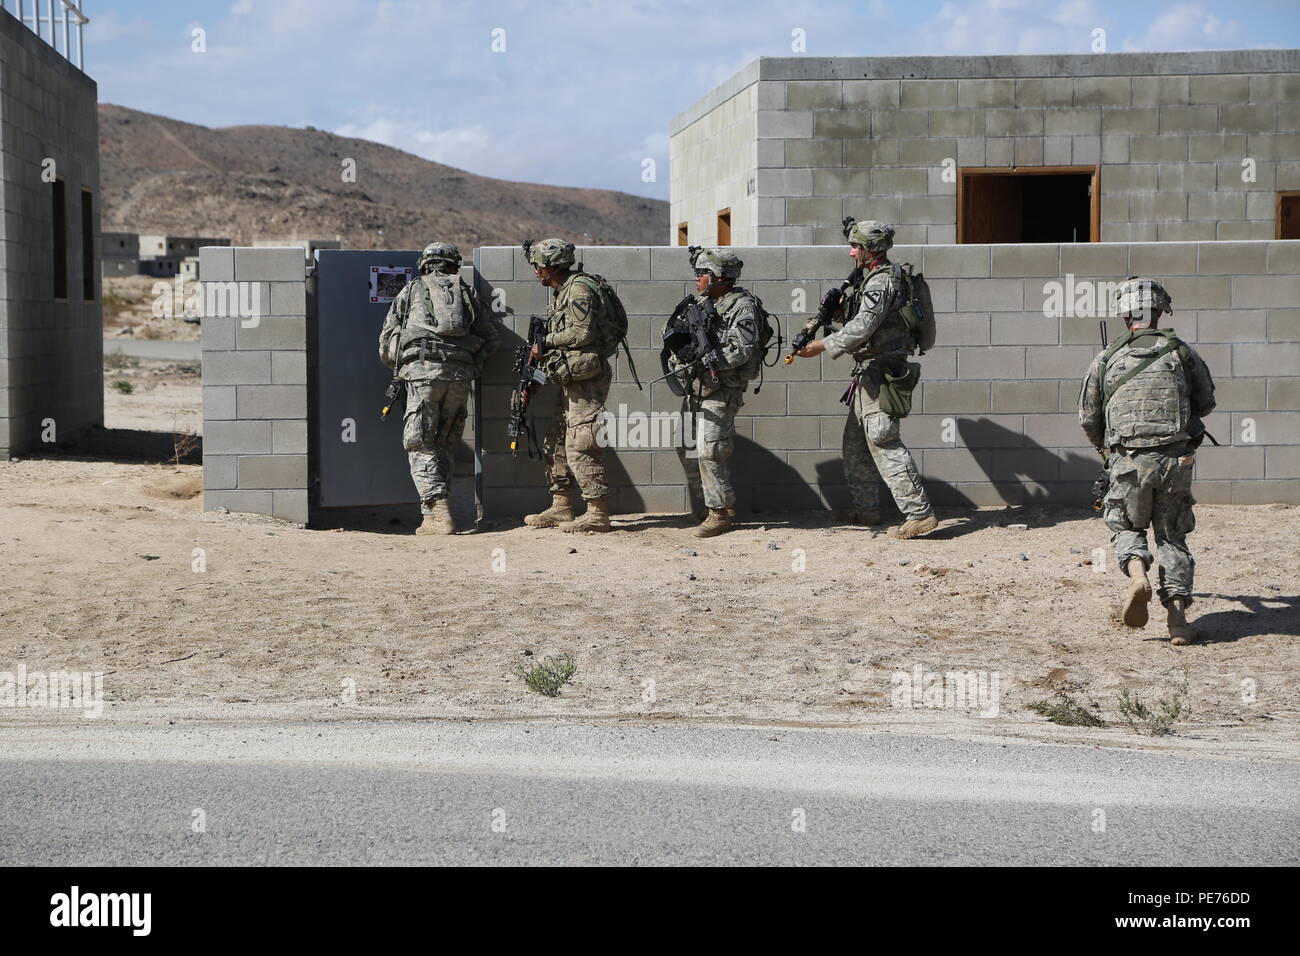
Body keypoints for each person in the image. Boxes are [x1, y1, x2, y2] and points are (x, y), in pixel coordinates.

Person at [1079, 276, 1216, 645]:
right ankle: (1177, 619)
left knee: (1126, 527)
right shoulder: (1181, 352)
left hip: (1128, 461)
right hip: (1176, 461)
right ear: (1159, 312)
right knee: (1172, 536)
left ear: (1125, 316)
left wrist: (1107, 453)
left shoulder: (1106, 358)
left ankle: (1139, 575)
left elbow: (1089, 417)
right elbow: (1206, 404)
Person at [795, 219, 937, 539]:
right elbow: (859, 319)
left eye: (855, 246)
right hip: (867, 373)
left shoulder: (881, 283)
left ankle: (920, 513)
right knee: (856, 445)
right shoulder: (869, 280)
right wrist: (834, 311)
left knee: (883, 438)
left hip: (881, 370)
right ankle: (868, 509)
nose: (850, 253)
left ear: (870, 250)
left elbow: (862, 329)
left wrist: (821, 346)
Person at [378, 242, 497, 534]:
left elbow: (386, 343)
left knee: (419, 442)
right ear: (454, 264)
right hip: (459, 378)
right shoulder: (466, 292)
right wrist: (471, 366)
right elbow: (491, 338)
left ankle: (439, 508)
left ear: (425, 264)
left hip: (422, 377)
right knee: (444, 442)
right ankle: (430, 516)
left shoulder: (412, 290)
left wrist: (405, 362)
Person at [521, 238, 621, 533]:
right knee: (556, 439)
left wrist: (545, 341)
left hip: (587, 377)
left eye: (538, 266)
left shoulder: (578, 289)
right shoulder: (561, 291)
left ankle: (597, 512)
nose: (536, 272)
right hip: (570, 376)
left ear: (551, 266)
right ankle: (562, 505)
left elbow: (582, 333)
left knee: (583, 441)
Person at [667, 247, 764, 537]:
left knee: (710, 449)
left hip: (723, 388)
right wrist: (681, 351)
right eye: (696, 272)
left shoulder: (743, 307)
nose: (696, 278)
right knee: (685, 445)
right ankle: (707, 505)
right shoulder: (702, 303)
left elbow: (742, 350)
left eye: (702, 273)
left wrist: (705, 357)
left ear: (720, 276)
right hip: (696, 387)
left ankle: (719, 512)